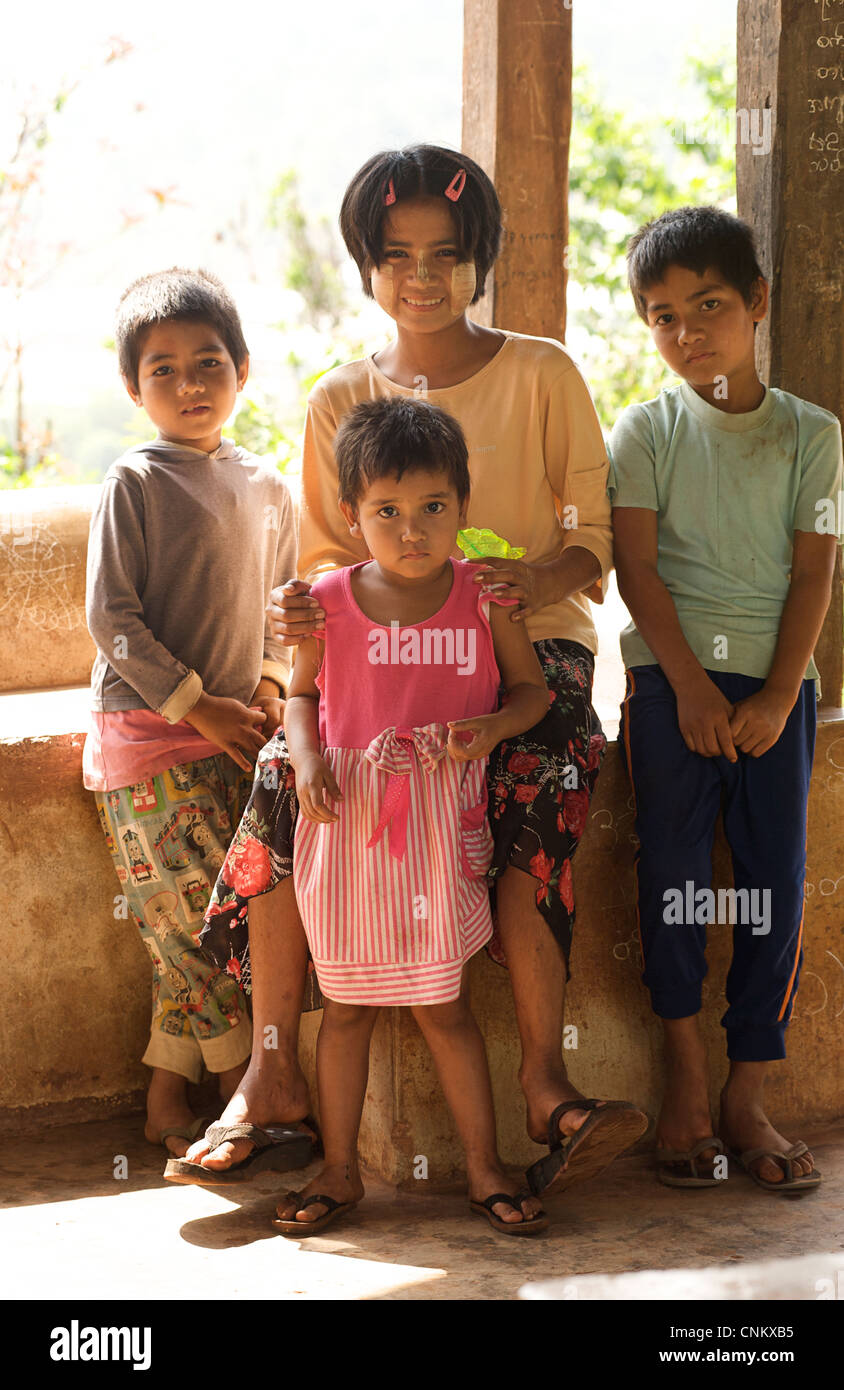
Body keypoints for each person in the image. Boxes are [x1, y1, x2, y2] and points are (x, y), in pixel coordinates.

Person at [190, 145, 647, 1195]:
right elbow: (318, 569)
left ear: (479, 257)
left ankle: (545, 1081)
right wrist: (295, 616)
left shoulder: (543, 371)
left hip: (526, 644)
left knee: (539, 779)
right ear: (366, 265)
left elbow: (593, 539)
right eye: (396, 255)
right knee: (281, 782)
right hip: (381, 655)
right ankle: (268, 1075)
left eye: (446, 253)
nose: (422, 275)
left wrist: (526, 578)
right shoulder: (338, 397)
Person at [275, 396, 549, 1234]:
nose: (412, 529)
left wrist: (494, 727)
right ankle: (338, 1170)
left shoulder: (485, 596)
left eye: (434, 507)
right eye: (387, 511)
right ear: (354, 518)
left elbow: (532, 691)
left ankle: (484, 1169)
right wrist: (311, 756)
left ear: (465, 510)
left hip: (438, 816)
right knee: (346, 1009)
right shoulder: (325, 601)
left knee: (444, 1007)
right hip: (347, 815)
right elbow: (300, 696)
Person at [610, 206, 842, 1192]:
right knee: (672, 876)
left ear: (754, 303)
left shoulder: (813, 436)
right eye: (662, 316)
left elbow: (813, 573)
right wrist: (693, 689)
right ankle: (683, 1074)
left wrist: (782, 691)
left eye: (707, 305)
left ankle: (747, 1090)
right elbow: (636, 570)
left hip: (777, 691)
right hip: (672, 685)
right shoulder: (643, 431)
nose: (686, 332)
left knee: (772, 885)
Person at [84, 267, 314, 1170]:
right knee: (187, 926)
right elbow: (112, 619)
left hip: (235, 737)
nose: (189, 384)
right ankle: (237, 1100)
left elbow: (280, 606)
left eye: (208, 362)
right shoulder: (133, 482)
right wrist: (198, 705)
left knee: (218, 920)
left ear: (244, 369)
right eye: (164, 369)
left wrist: (261, 687)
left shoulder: (267, 485)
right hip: (148, 744)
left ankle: (167, 1101)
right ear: (133, 389)